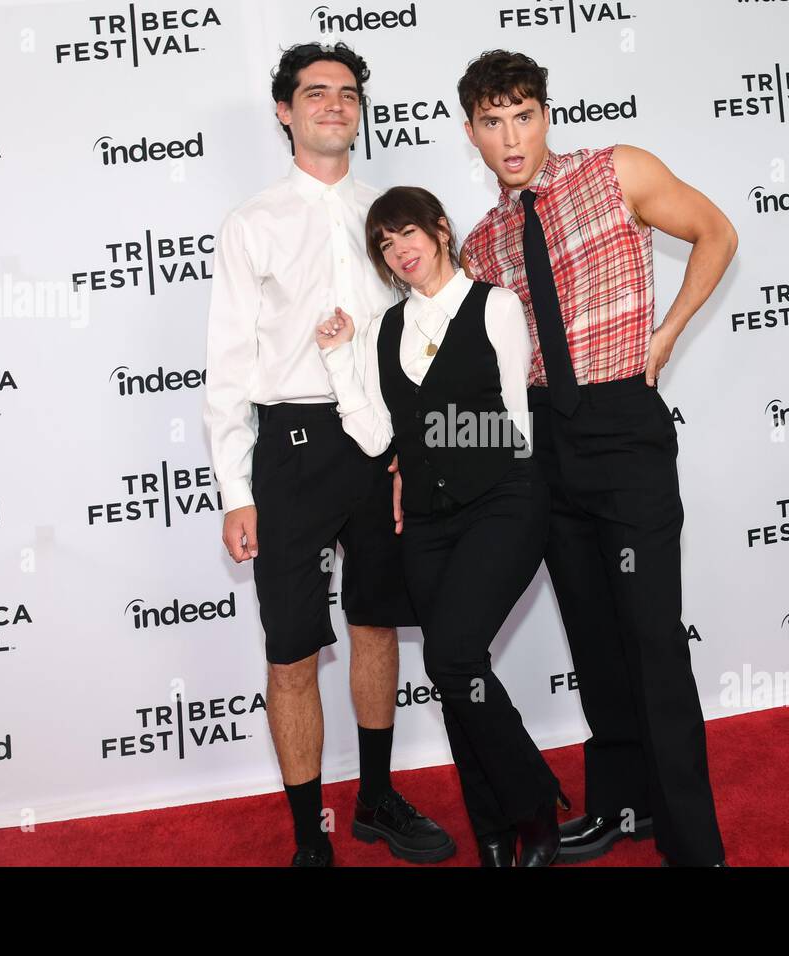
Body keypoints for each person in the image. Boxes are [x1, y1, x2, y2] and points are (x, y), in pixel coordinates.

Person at [457, 49, 739, 866]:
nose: (511, 137)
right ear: (472, 132)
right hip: (547, 443)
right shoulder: (483, 245)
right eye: (492, 122)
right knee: (593, 636)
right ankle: (624, 808)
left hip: (622, 428)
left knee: (653, 638)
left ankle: (694, 847)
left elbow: (716, 233)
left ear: (547, 113)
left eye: (524, 115)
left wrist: (669, 333)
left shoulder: (618, 171)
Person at [203, 41, 454, 867]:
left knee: (377, 624)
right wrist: (235, 489)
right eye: (316, 93)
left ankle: (377, 799)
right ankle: (309, 833)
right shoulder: (252, 224)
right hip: (291, 451)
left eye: (347, 93)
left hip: (379, 445)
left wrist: (416, 448)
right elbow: (230, 366)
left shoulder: (393, 213)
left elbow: (429, 336)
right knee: (291, 649)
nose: (334, 105)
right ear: (285, 110)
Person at [314, 186, 563, 866]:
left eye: (408, 233)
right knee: (458, 671)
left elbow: (513, 416)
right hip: (424, 524)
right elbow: (374, 437)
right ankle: (492, 828)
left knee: (452, 658)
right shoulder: (385, 329)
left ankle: (535, 808)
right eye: (386, 244)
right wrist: (338, 358)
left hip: (502, 504)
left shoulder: (495, 305)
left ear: (441, 230)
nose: (400, 249)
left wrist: (446, 447)